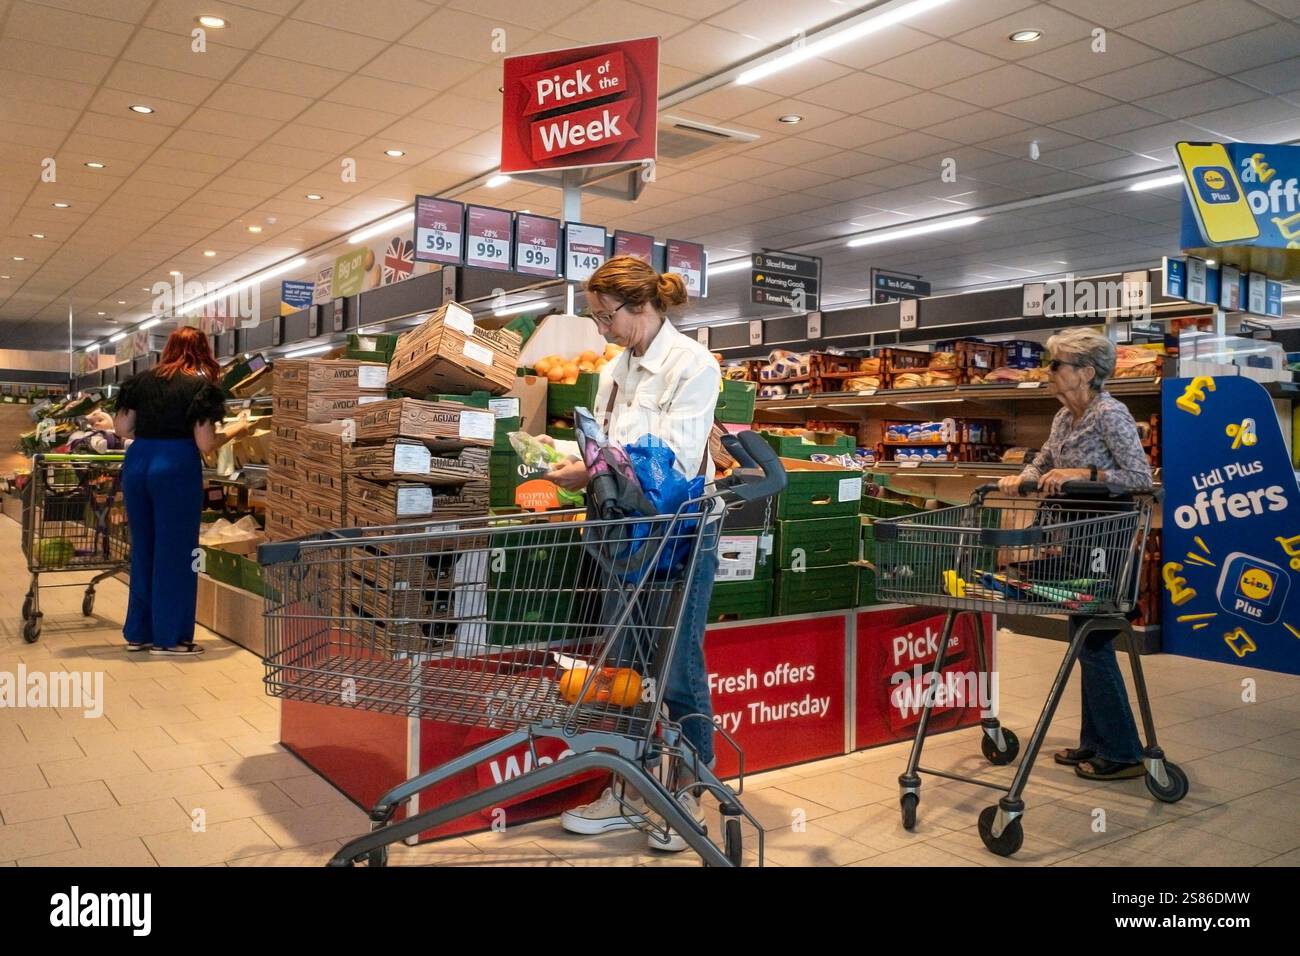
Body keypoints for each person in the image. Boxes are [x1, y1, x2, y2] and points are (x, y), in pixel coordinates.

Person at [540, 256, 722, 850]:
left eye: (604, 316)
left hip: (680, 529)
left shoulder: (693, 365)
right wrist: (585, 464)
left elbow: (674, 455)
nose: (601, 329)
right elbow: (612, 444)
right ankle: (628, 784)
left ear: (640, 306)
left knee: (676, 658)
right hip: (625, 529)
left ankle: (687, 795)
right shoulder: (615, 368)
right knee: (624, 661)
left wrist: (597, 470)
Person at [997, 327, 1154, 780]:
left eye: (1055, 365)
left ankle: (1123, 752)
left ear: (1085, 372)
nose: (1048, 372)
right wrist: (1021, 476)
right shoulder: (1063, 418)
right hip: (1073, 538)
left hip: (1106, 536)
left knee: (1094, 639)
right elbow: (1044, 460)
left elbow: (1140, 477)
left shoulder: (1111, 414)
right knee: (1084, 637)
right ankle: (1095, 742)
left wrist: (1084, 472)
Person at [113, 327, 247, 656]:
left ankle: (139, 633)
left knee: (144, 548)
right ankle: (171, 637)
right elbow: (205, 443)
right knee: (176, 553)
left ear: (168, 349)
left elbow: (122, 429)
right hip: (175, 465)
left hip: (138, 462)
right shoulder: (201, 387)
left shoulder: (139, 381)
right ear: (204, 351)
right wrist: (237, 429)